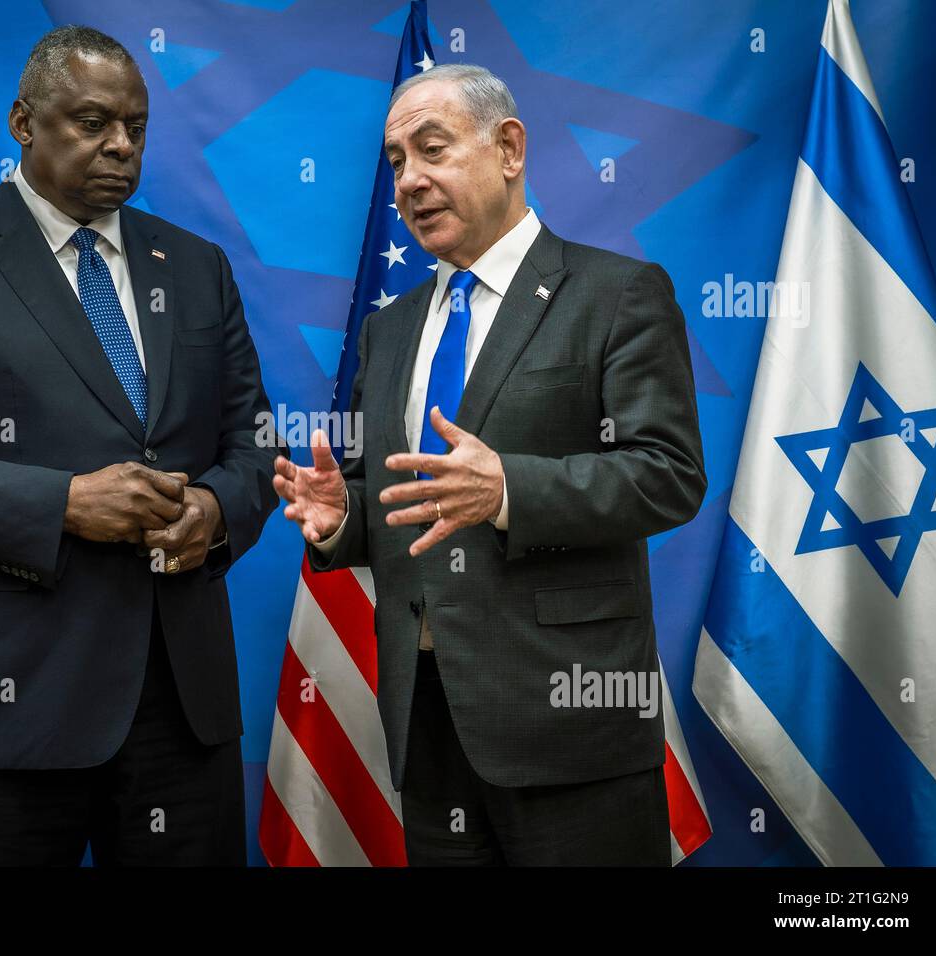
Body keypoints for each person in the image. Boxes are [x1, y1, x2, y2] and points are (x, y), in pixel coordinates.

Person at [0, 25, 277, 865]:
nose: (120, 145)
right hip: (5, 712)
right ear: (22, 122)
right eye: (91, 121)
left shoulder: (197, 268)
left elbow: (254, 445)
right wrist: (63, 506)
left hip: (181, 715)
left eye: (136, 127)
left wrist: (215, 512)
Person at [273, 64, 706, 865]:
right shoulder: (391, 328)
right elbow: (419, 501)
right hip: (427, 719)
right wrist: (345, 518)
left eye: (431, 149)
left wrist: (509, 488)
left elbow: (668, 473)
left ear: (509, 148)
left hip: (569, 721)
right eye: (396, 161)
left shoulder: (616, 294)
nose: (409, 181)